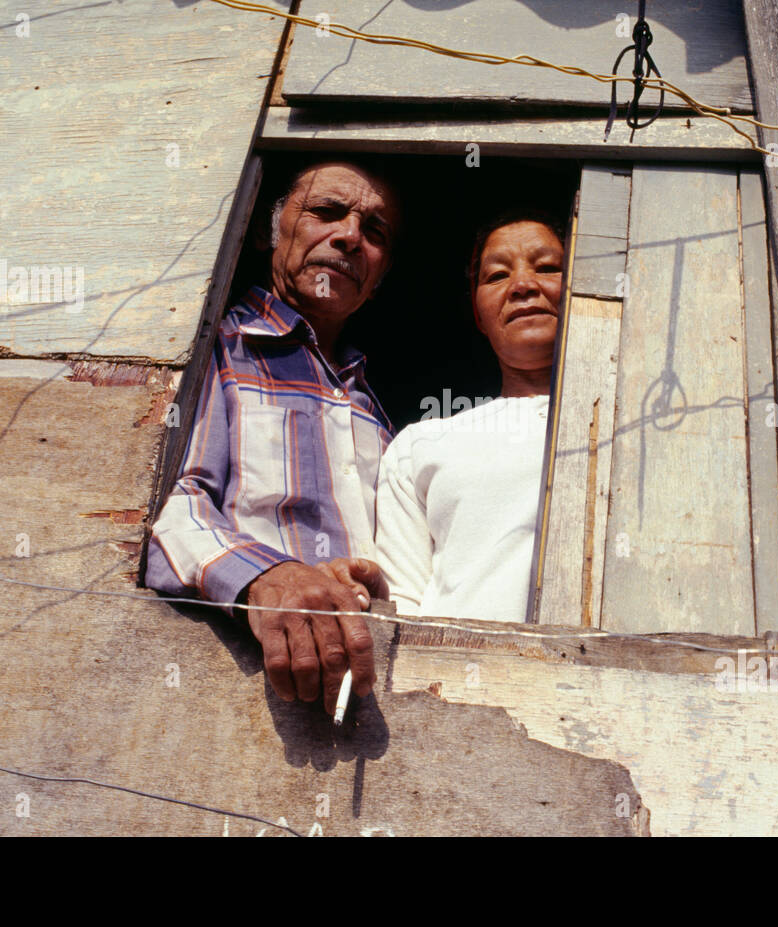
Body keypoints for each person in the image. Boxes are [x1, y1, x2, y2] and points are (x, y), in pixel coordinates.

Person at [146, 160, 401, 714]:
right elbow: (168, 511)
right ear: (270, 229)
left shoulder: (379, 414)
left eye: (374, 232)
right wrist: (269, 577)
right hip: (228, 693)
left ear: (379, 279)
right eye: (325, 212)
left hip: (374, 700)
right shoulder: (213, 349)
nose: (350, 236)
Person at [373, 210, 565, 622]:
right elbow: (400, 606)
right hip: (453, 679)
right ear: (478, 316)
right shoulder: (421, 444)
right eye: (497, 276)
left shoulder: (637, 429)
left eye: (548, 268)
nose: (524, 286)